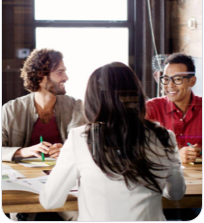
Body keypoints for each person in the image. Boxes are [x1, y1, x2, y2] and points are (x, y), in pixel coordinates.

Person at [40, 62, 185, 221]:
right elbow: (176, 193)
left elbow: (50, 201)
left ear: (93, 99)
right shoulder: (164, 136)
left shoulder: (80, 138)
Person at [2, 48, 85, 221]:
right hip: (24, 186)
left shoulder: (76, 106)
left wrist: (68, 152)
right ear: (41, 76)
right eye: (60, 72)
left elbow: (90, 148)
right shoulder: (11, 110)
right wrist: (21, 152)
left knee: (81, 217)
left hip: (66, 185)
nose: (66, 78)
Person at [146, 53, 202, 164]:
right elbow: (137, 151)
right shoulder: (151, 108)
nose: (170, 85)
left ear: (192, 81)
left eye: (177, 79)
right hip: (163, 178)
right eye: (166, 79)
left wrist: (199, 153)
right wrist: (175, 156)